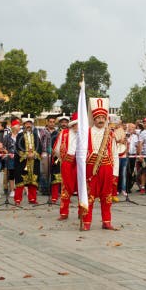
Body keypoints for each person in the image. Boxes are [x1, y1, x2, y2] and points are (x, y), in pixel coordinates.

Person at [83, 98, 118, 231]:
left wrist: (115, 173)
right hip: (91, 169)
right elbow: (80, 152)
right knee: (89, 196)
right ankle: (86, 222)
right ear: (94, 118)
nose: (101, 120)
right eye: (98, 117)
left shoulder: (110, 134)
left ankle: (106, 221)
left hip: (107, 168)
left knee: (106, 196)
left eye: (103, 117)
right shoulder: (86, 133)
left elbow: (114, 154)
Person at [14, 114, 42, 204]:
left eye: (30, 123)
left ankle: (32, 199)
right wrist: (26, 154)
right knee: (21, 180)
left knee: (33, 181)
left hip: (34, 160)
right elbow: (18, 147)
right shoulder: (19, 135)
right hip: (23, 161)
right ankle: (17, 199)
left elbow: (39, 147)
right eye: (27, 123)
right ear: (24, 124)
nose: (28, 125)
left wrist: (34, 154)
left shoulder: (35, 135)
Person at [54, 114, 78, 219]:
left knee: (82, 188)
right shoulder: (64, 133)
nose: (78, 126)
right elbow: (57, 149)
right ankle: (64, 213)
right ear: (73, 125)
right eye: (76, 124)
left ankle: (82, 212)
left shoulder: (86, 134)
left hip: (81, 164)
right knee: (66, 188)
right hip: (67, 162)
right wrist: (63, 159)